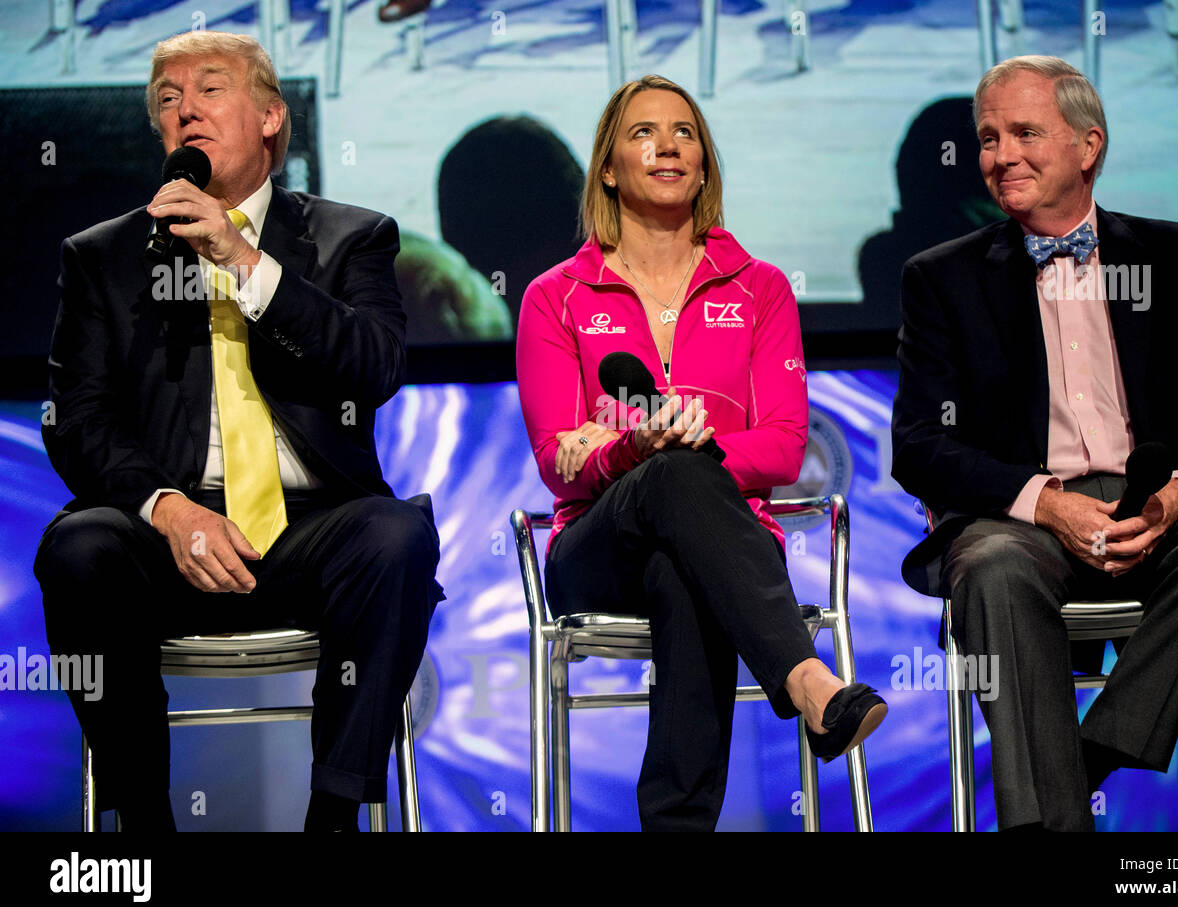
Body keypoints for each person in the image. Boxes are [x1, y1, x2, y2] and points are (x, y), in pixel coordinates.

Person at [34, 31, 444, 832]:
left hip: (312, 534)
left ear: (269, 116)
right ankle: (146, 830)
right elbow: (77, 421)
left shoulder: (351, 236)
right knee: (78, 548)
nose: (185, 109)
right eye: (166, 99)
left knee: (396, 537)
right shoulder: (103, 257)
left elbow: (373, 365)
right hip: (165, 539)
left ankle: (333, 818)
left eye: (209, 89)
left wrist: (244, 259)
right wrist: (168, 509)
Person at [891, 55, 1178, 831]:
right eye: (989, 138)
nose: (1001, 156)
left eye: (1025, 133)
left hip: (1161, 515)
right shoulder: (943, 278)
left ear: (1088, 145)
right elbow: (918, 447)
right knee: (994, 567)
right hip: (1025, 524)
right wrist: (1047, 504)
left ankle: (1088, 753)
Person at [516, 74, 886, 831]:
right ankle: (809, 683)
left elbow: (785, 448)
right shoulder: (554, 297)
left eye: (685, 132)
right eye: (644, 132)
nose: (668, 145)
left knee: (682, 560)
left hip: (726, 545)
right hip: (595, 548)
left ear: (705, 164)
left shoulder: (760, 289)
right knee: (671, 478)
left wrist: (665, 447)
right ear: (609, 168)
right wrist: (634, 453)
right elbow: (557, 458)